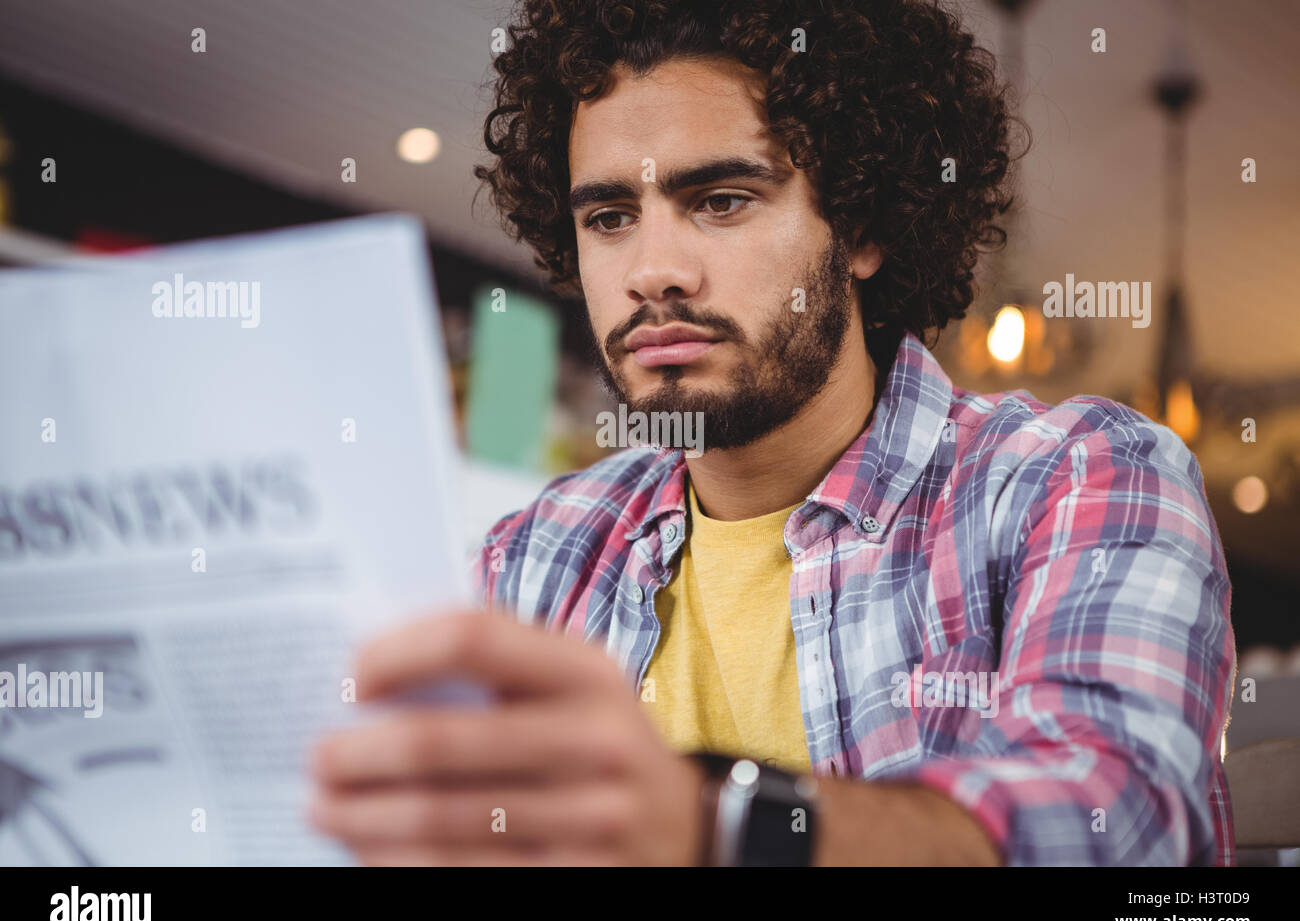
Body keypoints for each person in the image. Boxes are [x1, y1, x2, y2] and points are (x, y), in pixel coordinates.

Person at [308, 0, 1235, 866]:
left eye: (720, 200)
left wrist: (707, 821)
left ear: (862, 226)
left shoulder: (1078, 480)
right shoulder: (532, 557)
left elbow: (1120, 818)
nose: (652, 272)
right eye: (610, 218)